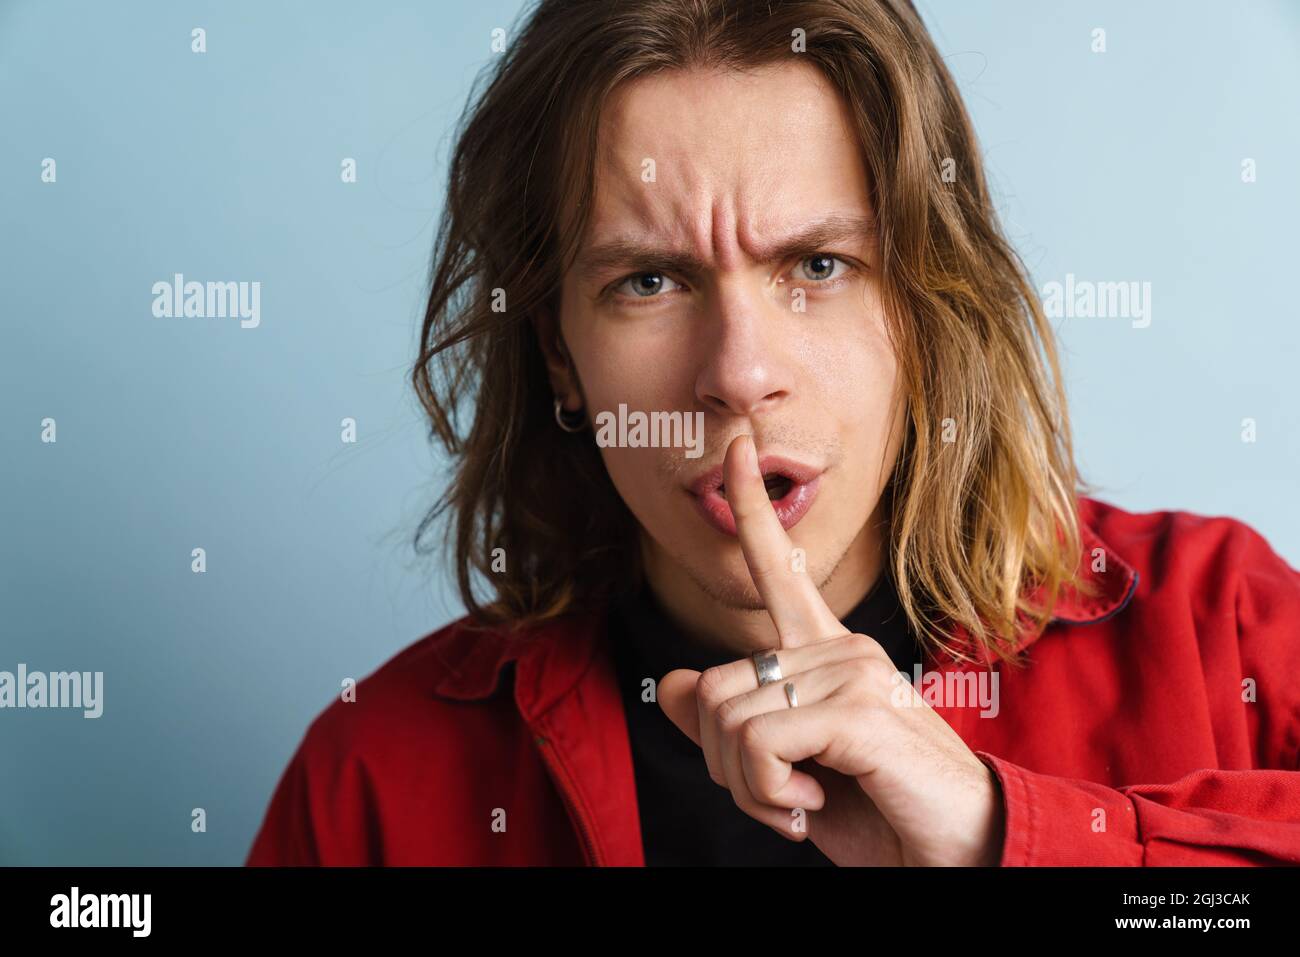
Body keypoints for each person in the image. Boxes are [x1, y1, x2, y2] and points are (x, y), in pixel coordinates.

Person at [246, 0, 1300, 866]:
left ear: (925, 312)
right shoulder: (378, 782)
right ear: (559, 354)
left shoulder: (1222, 633)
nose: (739, 375)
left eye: (817, 267)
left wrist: (993, 841)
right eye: (647, 281)